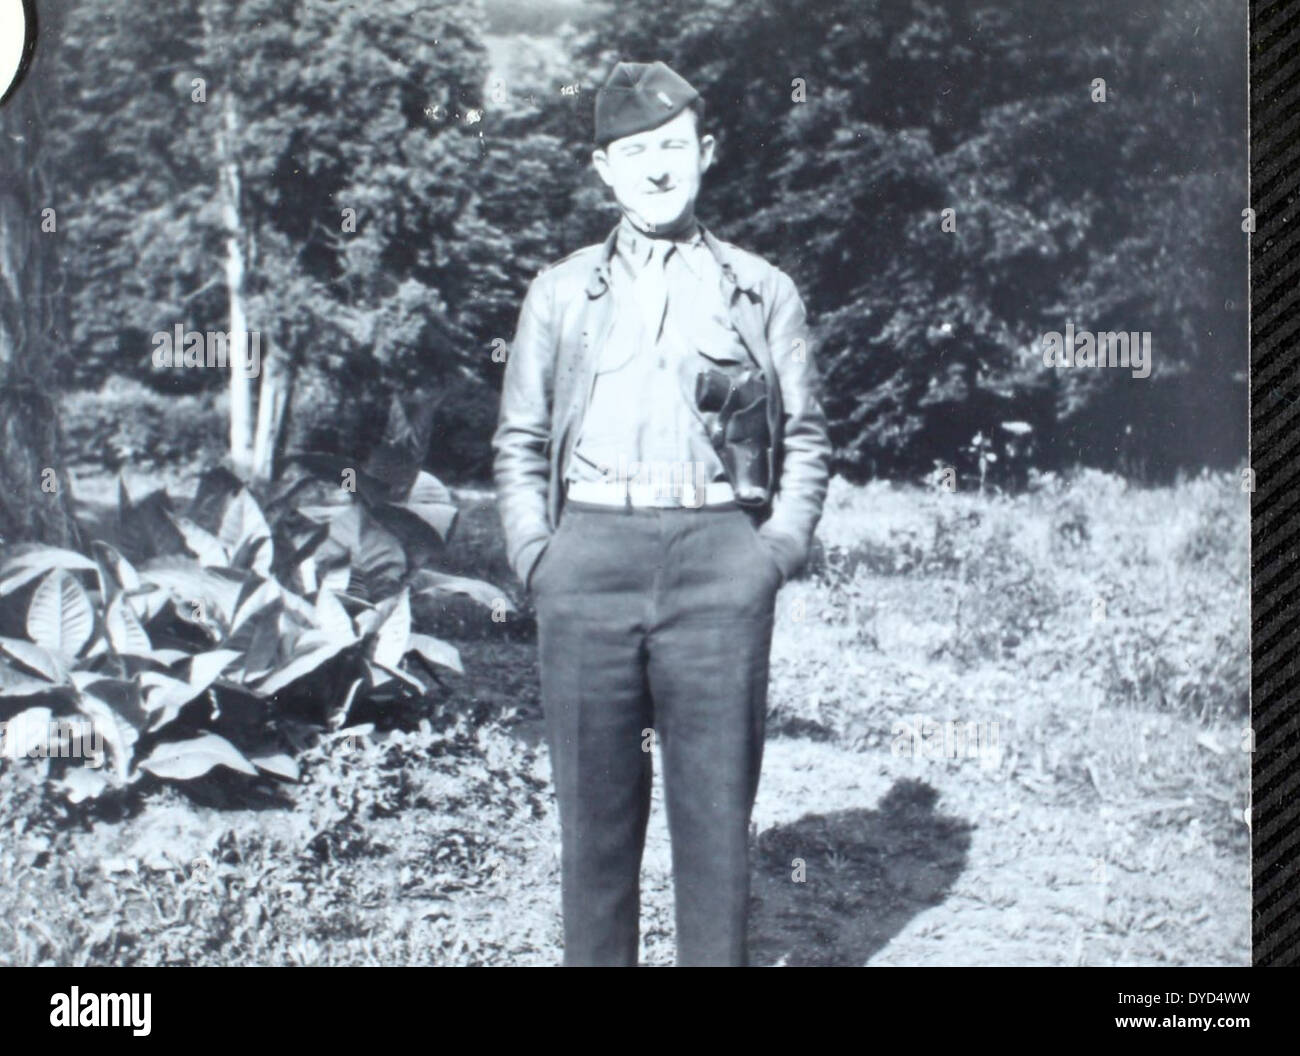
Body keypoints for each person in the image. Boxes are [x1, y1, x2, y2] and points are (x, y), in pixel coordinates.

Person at [492, 59, 831, 966]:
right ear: (603, 168)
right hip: (587, 561)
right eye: (633, 152)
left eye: (671, 148)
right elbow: (520, 441)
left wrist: (773, 554)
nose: (654, 169)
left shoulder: (763, 290)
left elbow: (808, 437)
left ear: (705, 154)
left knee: (716, 826)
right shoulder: (560, 294)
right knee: (594, 830)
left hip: (720, 562)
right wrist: (538, 558)